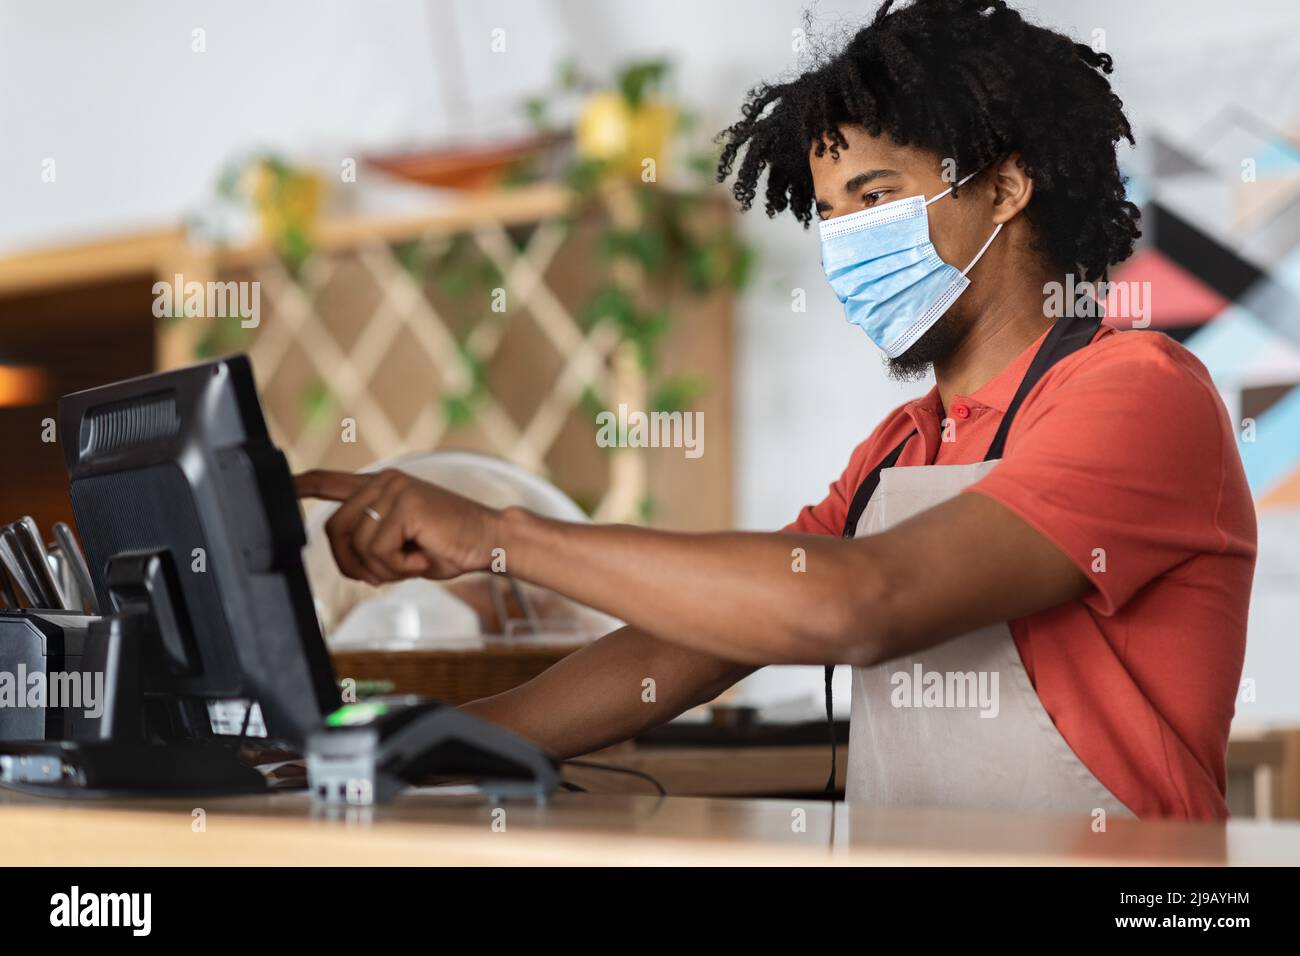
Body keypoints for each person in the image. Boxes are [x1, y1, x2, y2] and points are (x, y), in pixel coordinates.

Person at [296, 0, 1255, 820]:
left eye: (874, 196)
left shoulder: (1136, 391)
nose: (844, 244)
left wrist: (500, 536)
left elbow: (857, 603)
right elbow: (710, 635)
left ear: (1005, 185)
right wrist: (426, 739)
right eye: (830, 213)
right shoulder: (898, 449)